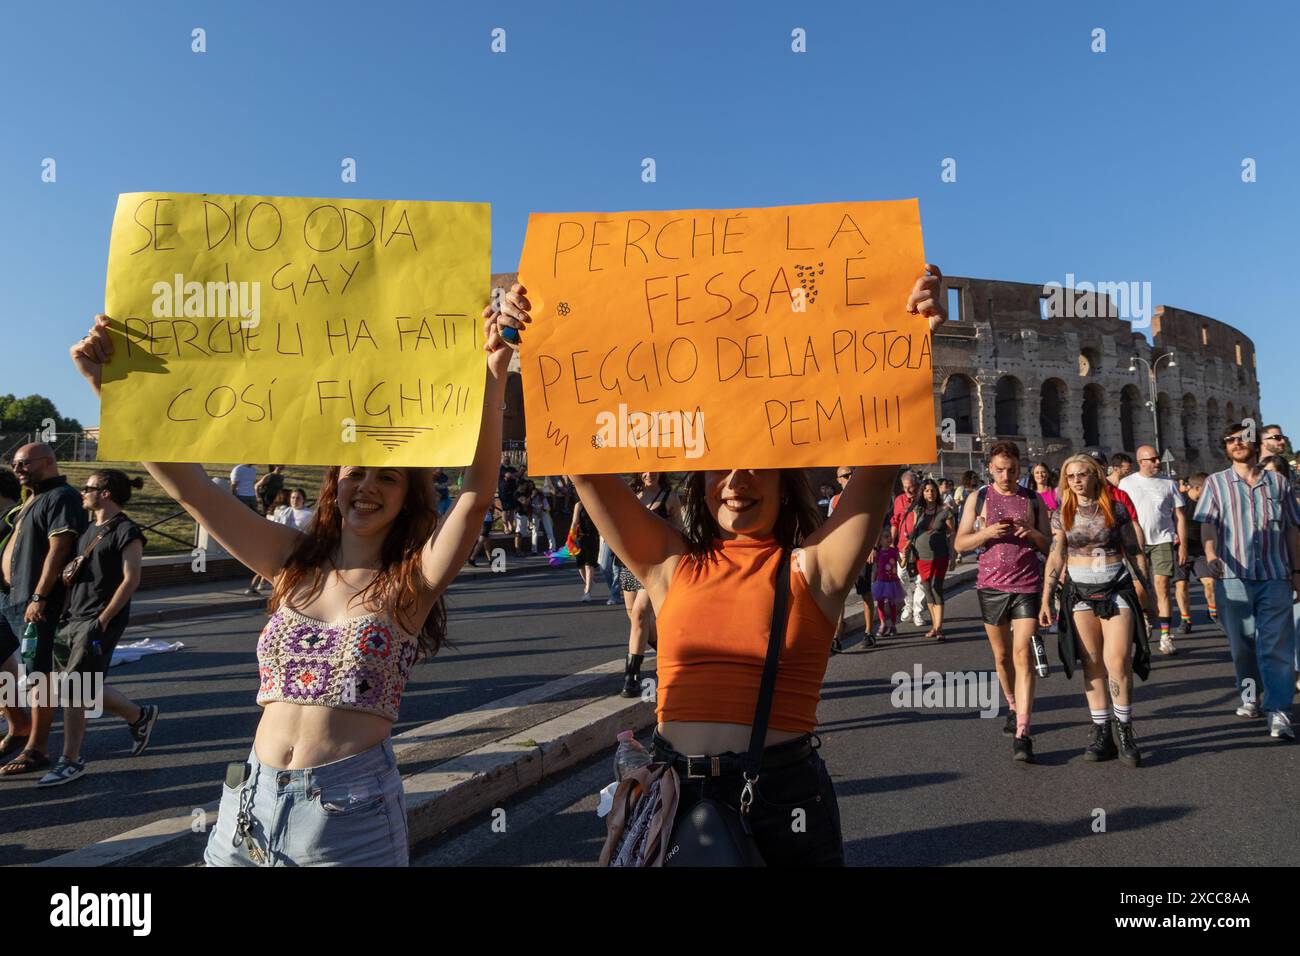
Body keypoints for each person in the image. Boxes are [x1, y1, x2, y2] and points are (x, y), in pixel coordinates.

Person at [504, 264, 948, 865]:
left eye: (757, 467)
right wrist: (534, 346)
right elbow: (579, 460)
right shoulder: (667, 564)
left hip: (781, 802)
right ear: (702, 483)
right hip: (669, 798)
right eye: (723, 468)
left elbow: (881, 462)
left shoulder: (813, 570)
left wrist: (913, 340)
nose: (738, 483)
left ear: (783, 480)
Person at [68, 283, 525, 864]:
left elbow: (475, 497)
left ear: (407, 498)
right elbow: (191, 490)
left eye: (387, 479)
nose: (366, 487)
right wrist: (109, 389)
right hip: (250, 802)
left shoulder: (410, 583)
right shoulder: (292, 563)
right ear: (335, 483)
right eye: (356, 473)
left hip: (349, 814)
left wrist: (495, 364)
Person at [38, 469, 159, 785]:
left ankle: (71, 760)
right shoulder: (87, 531)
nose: (82, 492)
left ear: (105, 492)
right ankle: (139, 715)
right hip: (72, 619)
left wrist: (103, 620)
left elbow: (131, 580)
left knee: (76, 690)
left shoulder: (127, 531)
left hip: (97, 620)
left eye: (87, 487)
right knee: (79, 686)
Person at [1040, 455, 1151, 767]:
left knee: (1117, 661)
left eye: (1083, 474)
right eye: (1071, 475)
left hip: (1116, 587)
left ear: (1096, 476)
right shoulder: (1061, 512)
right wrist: (1047, 595)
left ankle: (1125, 730)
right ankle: (1101, 732)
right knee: (1090, 663)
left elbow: (1135, 553)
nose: (1077, 480)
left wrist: (1147, 595)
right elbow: (1056, 554)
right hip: (1079, 593)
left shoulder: (1114, 509)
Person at [1193, 421, 1299, 740]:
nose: (1237, 444)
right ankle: (1250, 695)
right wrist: (1211, 555)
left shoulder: (1278, 484)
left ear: (1255, 445)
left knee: (1276, 645)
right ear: (1225, 447)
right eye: (1230, 440)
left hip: (1276, 574)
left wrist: (1297, 571)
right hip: (1232, 576)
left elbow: (1294, 528)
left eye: (1243, 439)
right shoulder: (1216, 484)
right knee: (1243, 646)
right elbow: (1208, 525)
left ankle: (1279, 709)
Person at [953, 440, 1051, 763]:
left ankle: (1024, 731)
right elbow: (961, 543)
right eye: (999, 470)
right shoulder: (978, 498)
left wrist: (1031, 533)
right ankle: (1011, 703)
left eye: (1011, 470)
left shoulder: (1033, 500)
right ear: (990, 470)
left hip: (1027, 584)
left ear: (1019, 469)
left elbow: (1048, 546)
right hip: (991, 587)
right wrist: (988, 533)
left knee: (1023, 653)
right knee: (1003, 654)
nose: (1006, 476)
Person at [0, 444, 89, 775]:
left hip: (34, 601)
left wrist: (39, 596)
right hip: (9, 597)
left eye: (24, 463)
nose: (18, 468)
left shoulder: (61, 496)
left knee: (39, 675)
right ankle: (19, 724)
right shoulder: (31, 498)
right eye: (14, 463)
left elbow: (60, 546)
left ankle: (37, 748)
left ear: (48, 462)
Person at [615, 473, 683, 697]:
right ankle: (669, 655)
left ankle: (631, 678)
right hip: (629, 563)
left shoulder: (669, 497)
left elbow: (679, 532)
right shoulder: (629, 495)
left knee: (639, 615)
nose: (649, 474)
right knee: (637, 620)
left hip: (655, 565)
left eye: (653, 469)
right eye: (644, 470)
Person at [1121, 445, 1189, 655]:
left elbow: (1179, 516)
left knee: (1162, 586)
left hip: (1163, 540)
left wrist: (1183, 545)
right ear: (1141, 462)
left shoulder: (1169, 483)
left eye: (1158, 459)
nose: (1158, 462)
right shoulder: (1127, 483)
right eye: (1153, 459)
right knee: (1140, 588)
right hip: (1135, 544)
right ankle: (1145, 616)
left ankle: (1166, 636)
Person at [902, 478, 955, 641]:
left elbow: (952, 534)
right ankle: (934, 626)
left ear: (936, 492)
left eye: (932, 490)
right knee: (927, 591)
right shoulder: (918, 509)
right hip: (921, 556)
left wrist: (953, 555)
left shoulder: (945, 510)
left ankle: (939, 628)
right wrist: (907, 545)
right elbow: (915, 530)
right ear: (922, 493)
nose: (930, 493)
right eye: (926, 491)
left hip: (940, 555)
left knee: (936, 588)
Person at [828, 466, 873, 650]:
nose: (850, 477)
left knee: (864, 591)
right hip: (841, 553)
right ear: (839, 480)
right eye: (846, 475)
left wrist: (872, 547)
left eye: (852, 474)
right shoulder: (835, 500)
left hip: (862, 552)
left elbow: (873, 524)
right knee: (839, 596)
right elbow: (831, 527)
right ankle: (837, 635)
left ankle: (869, 632)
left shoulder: (865, 497)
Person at [890, 470, 928, 628]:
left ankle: (918, 611)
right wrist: (892, 542)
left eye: (911, 487)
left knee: (921, 580)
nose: (908, 490)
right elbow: (895, 521)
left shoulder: (924, 498)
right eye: (905, 487)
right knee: (901, 576)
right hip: (902, 545)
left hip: (921, 545)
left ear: (917, 485)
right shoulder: (899, 499)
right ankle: (909, 604)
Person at [1180, 473, 1217, 626]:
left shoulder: (1209, 503)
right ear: (1197, 488)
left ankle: (1213, 613)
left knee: (1210, 582)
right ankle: (1185, 619)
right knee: (1182, 585)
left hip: (1201, 549)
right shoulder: (1181, 502)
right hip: (1182, 549)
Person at [247, 489, 292, 595]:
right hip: (278, 540)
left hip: (268, 538)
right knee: (271, 567)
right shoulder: (285, 510)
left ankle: (259, 585)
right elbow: (283, 524)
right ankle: (255, 586)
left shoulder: (273, 508)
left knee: (268, 567)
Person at [872, 525, 904, 637]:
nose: (889, 538)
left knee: (892, 604)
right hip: (881, 581)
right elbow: (875, 568)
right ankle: (882, 624)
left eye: (890, 536)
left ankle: (893, 625)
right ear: (880, 541)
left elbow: (902, 564)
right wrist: (873, 580)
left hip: (892, 582)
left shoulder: (894, 551)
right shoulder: (878, 552)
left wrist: (905, 555)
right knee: (880, 603)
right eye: (886, 537)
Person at [569, 496, 601, 602]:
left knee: (589, 564)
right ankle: (589, 582)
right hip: (580, 537)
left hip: (593, 537)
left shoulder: (596, 503)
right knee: (580, 565)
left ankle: (587, 592)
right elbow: (574, 522)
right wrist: (571, 538)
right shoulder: (579, 505)